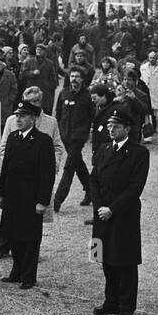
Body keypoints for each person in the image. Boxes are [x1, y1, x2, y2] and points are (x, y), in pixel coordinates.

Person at [89, 109, 150, 315]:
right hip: (102, 213)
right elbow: (94, 178)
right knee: (105, 258)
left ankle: (126, 305)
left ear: (127, 128)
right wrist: (99, 206)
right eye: (109, 126)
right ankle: (111, 301)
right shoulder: (103, 149)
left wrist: (112, 209)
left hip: (123, 215)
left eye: (115, 126)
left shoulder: (139, 153)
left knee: (124, 260)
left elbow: (135, 188)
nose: (111, 129)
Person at [0, 100, 55, 289]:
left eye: (23, 116)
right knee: (13, 234)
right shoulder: (13, 137)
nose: (18, 119)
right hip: (13, 196)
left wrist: (42, 201)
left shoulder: (43, 141)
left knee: (29, 237)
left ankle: (29, 276)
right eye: (17, 116)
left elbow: (47, 175)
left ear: (33, 118)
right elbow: (5, 168)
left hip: (31, 198)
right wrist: (1, 193)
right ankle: (16, 271)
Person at [53, 69, 94, 212]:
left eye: (77, 77)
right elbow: (58, 112)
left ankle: (58, 199)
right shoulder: (64, 93)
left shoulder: (87, 96)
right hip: (66, 135)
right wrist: (60, 130)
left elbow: (92, 115)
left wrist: (86, 131)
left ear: (82, 79)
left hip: (79, 136)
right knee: (77, 162)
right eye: (72, 76)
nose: (74, 79)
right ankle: (91, 190)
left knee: (69, 166)